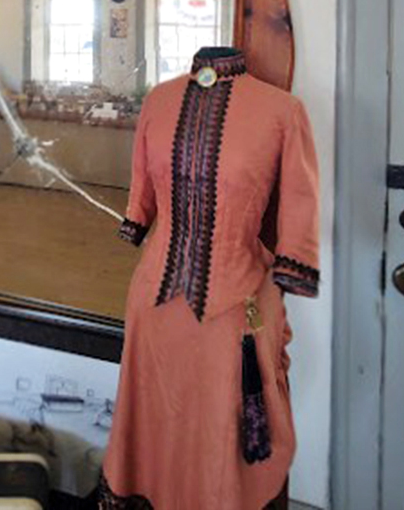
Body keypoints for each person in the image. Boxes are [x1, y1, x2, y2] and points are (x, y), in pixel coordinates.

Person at [98, 47, 320, 510]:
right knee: (155, 417)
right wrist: (135, 219)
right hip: (153, 304)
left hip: (233, 305)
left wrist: (295, 265)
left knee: (220, 429)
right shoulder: (158, 100)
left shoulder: (282, 111)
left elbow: (302, 197)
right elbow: (142, 183)